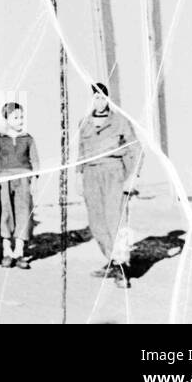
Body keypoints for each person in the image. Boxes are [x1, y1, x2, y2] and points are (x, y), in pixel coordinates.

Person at [78, 83, 141, 289]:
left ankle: (122, 268)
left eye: (103, 97)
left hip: (114, 173)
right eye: (95, 98)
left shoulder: (120, 121)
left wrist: (132, 177)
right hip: (90, 175)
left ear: (109, 99)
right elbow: (80, 153)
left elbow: (136, 149)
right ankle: (114, 261)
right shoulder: (85, 123)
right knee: (97, 223)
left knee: (116, 220)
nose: (100, 102)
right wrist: (78, 177)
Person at [0, 101, 37, 269]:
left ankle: (19, 252)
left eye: (22, 117)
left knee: (23, 212)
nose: (20, 120)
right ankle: (6, 252)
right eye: (16, 117)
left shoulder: (28, 138)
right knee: (5, 213)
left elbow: (35, 161)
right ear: (6, 119)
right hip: (4, 179)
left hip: (23, 179)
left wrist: (35, 181)